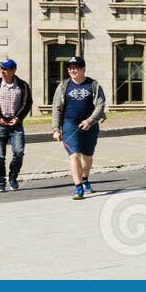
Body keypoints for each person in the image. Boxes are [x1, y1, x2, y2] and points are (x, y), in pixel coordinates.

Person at [50, 56, 105, 200]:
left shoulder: (93, 85)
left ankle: (85, 178)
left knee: (87, 156)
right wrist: (56, 129)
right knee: (74, 155)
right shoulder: (63, 86)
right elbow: (56, 108)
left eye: (75, 67)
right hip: (69, 124)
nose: (72, 70)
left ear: (83, 69)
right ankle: (78, 186)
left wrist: (90, 120)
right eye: (70, 68)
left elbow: (100, 105)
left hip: (90, 125)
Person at [0, 57, 32, 193]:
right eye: (1, 68)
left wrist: (18, 118)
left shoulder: (22, 85)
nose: (2, 71)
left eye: (6, 69)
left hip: (16, 124)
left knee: (19, 152)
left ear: (13, 70)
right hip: (0, 123)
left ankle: (13, 177)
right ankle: (0, 182)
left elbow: (27, 103)